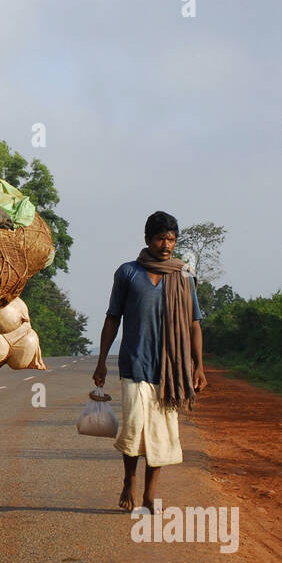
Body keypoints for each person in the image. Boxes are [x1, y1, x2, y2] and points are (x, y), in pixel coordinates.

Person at [92, 211, 209, 511]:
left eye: (171, 239)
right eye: (160, 238)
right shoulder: (128, 273)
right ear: (147, 240)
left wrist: (199, 366)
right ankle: (129, 480)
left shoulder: (183, 276)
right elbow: (112, 317)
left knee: (160, 433)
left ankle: (149, 495)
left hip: (170, 370)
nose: (166, 245)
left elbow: (195, 323)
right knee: (133, 428)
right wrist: (102, 360)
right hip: (134, 363)